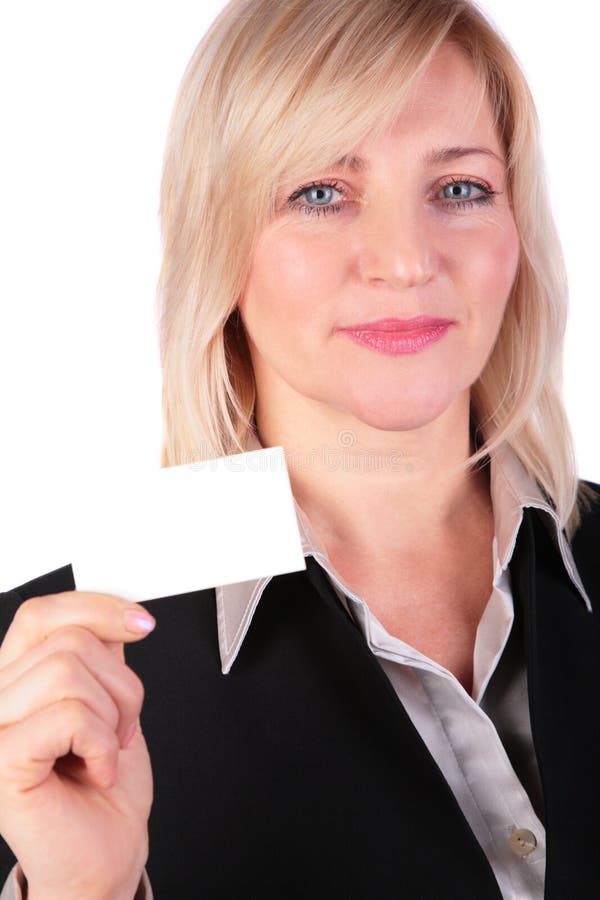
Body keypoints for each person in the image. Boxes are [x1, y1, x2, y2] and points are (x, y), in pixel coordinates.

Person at [1, 0, 599, 897]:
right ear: (220, 242)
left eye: (461, 188)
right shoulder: (37, 697)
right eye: (320, 193)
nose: (404, 261)